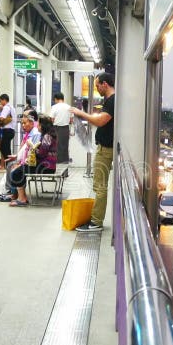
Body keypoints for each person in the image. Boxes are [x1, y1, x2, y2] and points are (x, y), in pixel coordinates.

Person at [70, 72, 115, 231]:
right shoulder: (109, 100)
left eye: (97, 86)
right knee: (98, 185)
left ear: (105, 84)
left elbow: (100, 120)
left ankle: (96, 222)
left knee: (100, 186)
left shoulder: (112, 101)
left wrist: (80, 113)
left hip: (106, 149)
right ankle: (96, 219)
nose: (97, 89)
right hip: (104, 147)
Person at [8, 116, 57, 207]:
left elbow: (41, 154)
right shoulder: (48, 135)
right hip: (48, 165)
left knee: (17, 172)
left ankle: (22, 199)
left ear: (43, 126)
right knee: (20, 170)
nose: (37, 126)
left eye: (38, 124)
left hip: (46, 167)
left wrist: (31, 146)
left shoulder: (47, 136)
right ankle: (21, 197)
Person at [0, 115, 41, 202]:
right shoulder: (28, 134)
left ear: (32, 123)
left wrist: (21, 161)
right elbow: (25, 150)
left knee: (14, 168)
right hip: (27, 159)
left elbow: (33, 151)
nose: (23, 125)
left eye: (25, 123)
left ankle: (15, 194)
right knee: (10, 165)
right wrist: (17, 157)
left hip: (32, 162)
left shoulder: (35, 134)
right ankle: (13, 193)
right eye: (22, 123)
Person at [51, 92, 72, 163]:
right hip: (66, 129)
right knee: (65, 147)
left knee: (56, 147)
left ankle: (57, 164)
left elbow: (52, 119)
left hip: (56, 129)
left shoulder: (54, 107)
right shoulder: (69, 107)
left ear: (56, 99)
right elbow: (71, 120)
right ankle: (65, 165)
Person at [0, 93, 17, 170]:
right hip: (11, 131)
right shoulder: (11, 107)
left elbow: (2, 118)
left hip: (7, 131)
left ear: (4, 100)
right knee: (7, 148)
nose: (0, 102)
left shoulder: (6, 107)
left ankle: (10, 164)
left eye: (1, 100)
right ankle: (10, 164)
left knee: (3, 147)